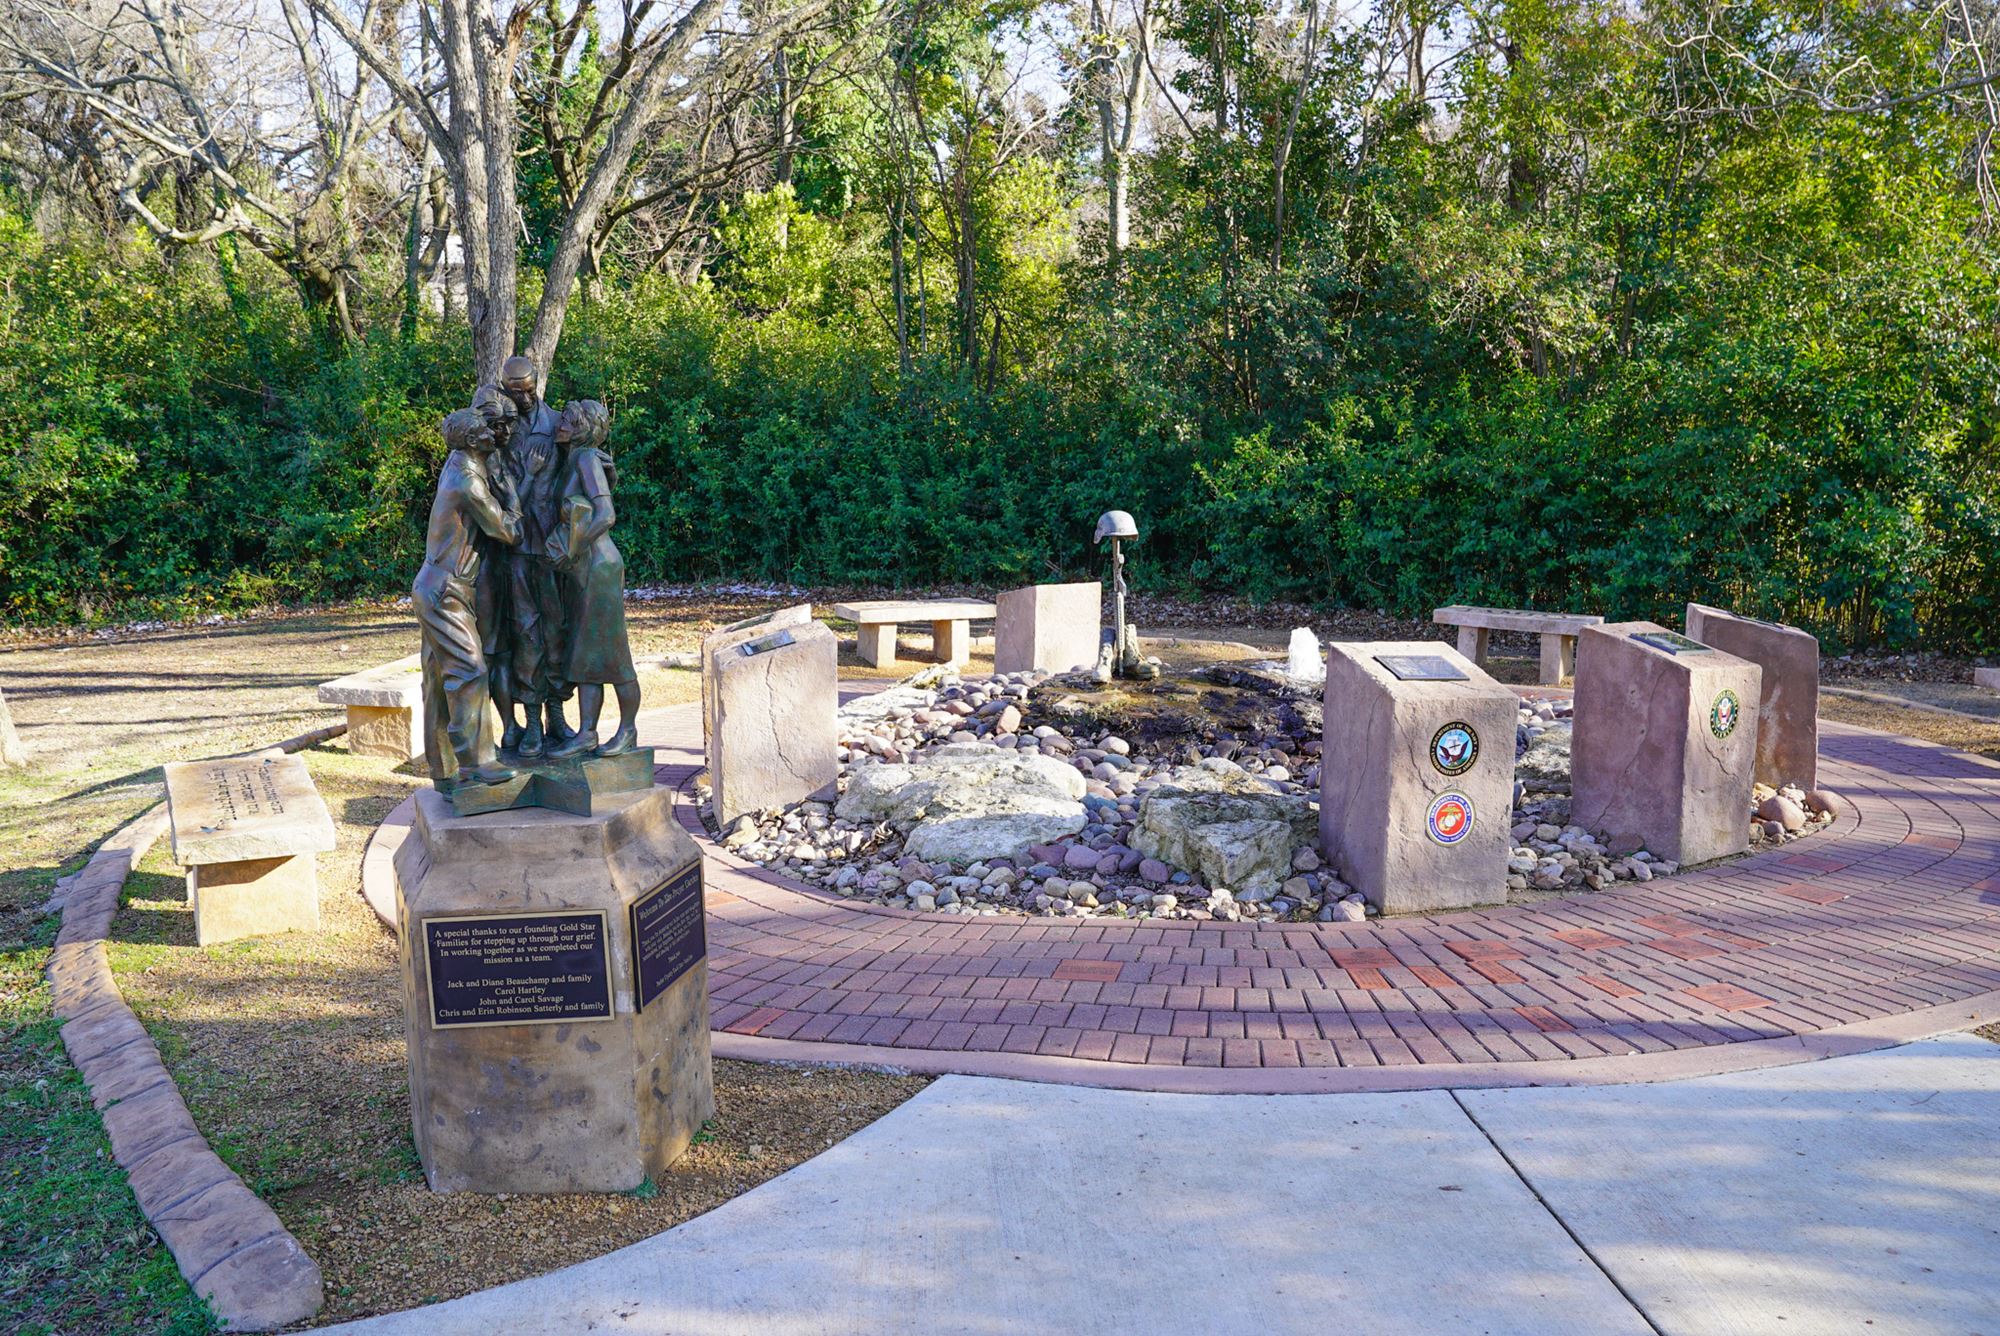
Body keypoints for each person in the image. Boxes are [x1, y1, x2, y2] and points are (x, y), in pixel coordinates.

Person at [414, 409, 522, 787]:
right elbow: (508, 531)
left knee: (437, 683)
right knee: (470, 672)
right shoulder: (468, 482)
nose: (493, 434)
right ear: (473, 441)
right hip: (448, 591)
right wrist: (512, 498)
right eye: (485, 430)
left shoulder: (456, 463)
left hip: (433, 585)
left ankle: (443, 771)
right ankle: (478, 763)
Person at [543, 399, 639, 757]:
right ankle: (586, 732)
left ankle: (627, 730)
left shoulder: (585, 458)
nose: (560, 424)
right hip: (584, 567)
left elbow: (606, 514)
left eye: (568, 420)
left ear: (583, 428)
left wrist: (573, 547)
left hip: (599, 566)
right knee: (585, 653)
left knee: (614, 655)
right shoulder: (574, 459)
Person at [495, 355, 573, 757]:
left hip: (554, 545)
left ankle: (557, 713)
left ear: (537, 383)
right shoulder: (501, 430)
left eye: (528, 391)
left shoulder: (559, 423)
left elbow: (579, 474)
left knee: (557, 630)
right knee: (525, 633)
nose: (524, 399)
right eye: (515, 393)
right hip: (518, 546)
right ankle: (531, 722)